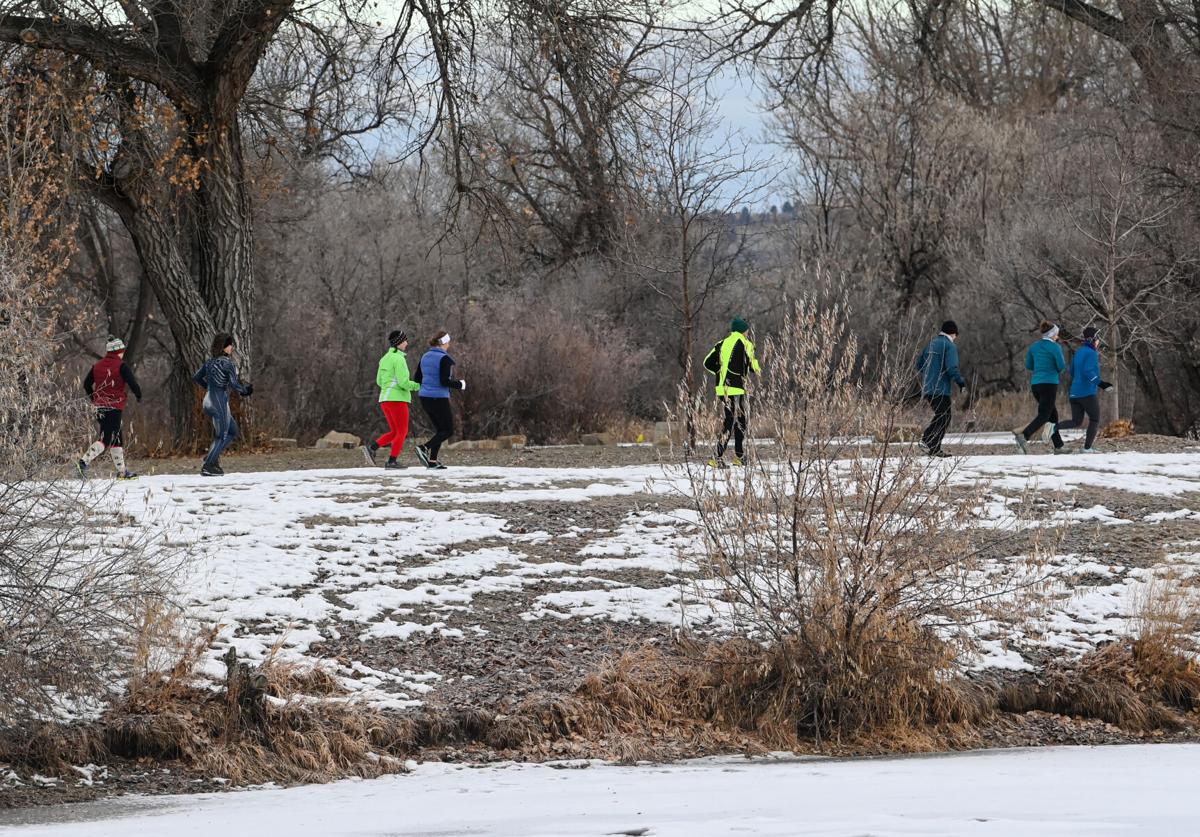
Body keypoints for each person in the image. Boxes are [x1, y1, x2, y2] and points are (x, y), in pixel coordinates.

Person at [76, 337, 142, 480]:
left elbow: (87, 384)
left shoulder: (97, 365)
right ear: (119, 351)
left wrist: (95, 399)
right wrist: (138, 395)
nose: (123, 353)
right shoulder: (121, 366)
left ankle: (122, 472)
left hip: (100, 407)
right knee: (106, 439)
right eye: (122, 351)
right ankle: (83, 462)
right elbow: (133, 383)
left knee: (116, 438)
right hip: (114, 407)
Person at [702, 316, 761, 468]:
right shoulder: (745, 343)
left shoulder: (721, 343)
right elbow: (752, 366)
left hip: (722, 389)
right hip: (736, 388)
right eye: (746, 330)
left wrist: (720, 372)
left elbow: (707, 362)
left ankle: (738, 456)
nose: (747, 333)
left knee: (738, 420)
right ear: (742, 331)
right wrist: (756, 368)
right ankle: (717, 457)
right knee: (733, 421)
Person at [192, 333, 253, 476]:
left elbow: (197, 377)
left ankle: (212, 455)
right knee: (222, 435)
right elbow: (234, 384)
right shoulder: (228, 363)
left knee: (232, 430)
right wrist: (246, 390)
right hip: (218, 402)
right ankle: (208, 466)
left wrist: (208, 387)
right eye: (229, 345)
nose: (231, 347)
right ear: (223, 347)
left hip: (208, 400)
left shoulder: (209, 362)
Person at [364, 329, 421, 469]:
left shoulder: (384, 359)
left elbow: (379, 381)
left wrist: (389, 387)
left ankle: (372, 448)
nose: (407, 343)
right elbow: (403, 383)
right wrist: (418, 385)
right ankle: (392, 461)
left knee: (396, 431)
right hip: (397, 400)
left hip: (385, 400)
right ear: (399, 343)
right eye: (405, 340)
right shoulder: (399, 359)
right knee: (402, 431)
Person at [1055, 326, 1113, 453]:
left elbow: (1072, 371)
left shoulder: (1079, 352)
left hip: (1074, 393)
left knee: (1076, 421)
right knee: (1095, 418)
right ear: (1093, 339)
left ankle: (1053, 427)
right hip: (1086, 393)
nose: (1099, 341)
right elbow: (1087, 371)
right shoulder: (1091, 353)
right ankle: (1087, 448)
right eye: (1098, 338)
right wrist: (1101, 384)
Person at [413, 331, 465, 470]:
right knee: (448, 430)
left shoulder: (424, 357)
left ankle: (432, 461)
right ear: (443, 343)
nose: (449, 345)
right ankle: (423, 448)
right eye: (448, 342)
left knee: (440, 430)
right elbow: (444, 381)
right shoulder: (445, 359)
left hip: (424, 398)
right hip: (438, 398)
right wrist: (460, 384)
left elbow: (417, 379)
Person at [1013, 320, 1067, 455]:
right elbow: (1061, 366)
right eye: (1056, 334)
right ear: (1052, 334)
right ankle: (1023, 436)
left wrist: (1040, 368)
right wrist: (1052, 369)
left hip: (1036, 385)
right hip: (1049, 384)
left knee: (1052, 415)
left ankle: (1059, 446)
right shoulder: (1055, 347)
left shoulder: (1034, 347)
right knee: (1044, 414)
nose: (1057, 336)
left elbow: (1028, 365)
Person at [915, 321, 967, 458]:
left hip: (927, 388)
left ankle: (932, 445)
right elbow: (951, 368)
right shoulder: (949, 346)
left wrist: (930, 375)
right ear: (953, 333)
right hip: (940, 388)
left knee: (941, 415)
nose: (955, 338)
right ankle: (929, 441)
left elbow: (919, 365)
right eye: (956, 335)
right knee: (944, 416)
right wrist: (961, 383)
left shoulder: (931, 344)